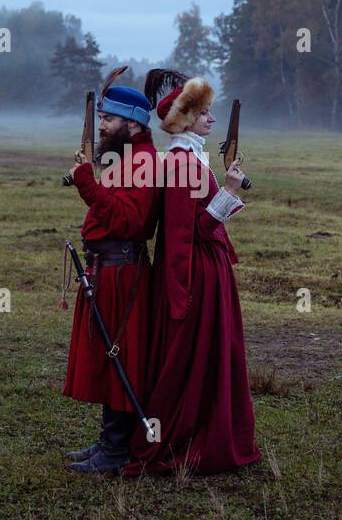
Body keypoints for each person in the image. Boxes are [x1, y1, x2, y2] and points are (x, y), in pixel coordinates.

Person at [125, 74, 261, 476]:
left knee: (212, 353)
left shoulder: (191, 158)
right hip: (200, 273)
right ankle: (192, 437)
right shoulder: (183, 163)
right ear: (183, 120)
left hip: (209, 268)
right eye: (203, 113)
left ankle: (208, 430)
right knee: (198, 354)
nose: (211, 118)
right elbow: (188, 233)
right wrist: (229, 192)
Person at [62, 84, 161, 473]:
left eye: (109, 119)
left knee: (122, 356)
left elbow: (130, 221)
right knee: (109, 353)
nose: (101, 125)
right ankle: (108, 440)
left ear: (133, 124)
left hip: (124, 273)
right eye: (101, 117)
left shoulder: (145, 162)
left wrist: (87, 183)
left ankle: (117, 450)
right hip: (108, 269)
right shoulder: (128, 157)